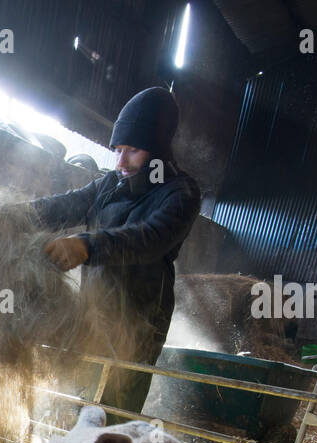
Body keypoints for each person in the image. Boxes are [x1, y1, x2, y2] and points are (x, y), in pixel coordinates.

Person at [30, 86, 201, 415]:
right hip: (94, 317)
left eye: (133, 150)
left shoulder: (181, 193)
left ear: (159, 149)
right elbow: (63, 206)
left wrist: (87, 245)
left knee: (113, 416)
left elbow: (148, 238)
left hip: (138, 327)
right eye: (117, 149)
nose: (120, 161)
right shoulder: (110, 184)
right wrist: (11, 216)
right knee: (82, 406)